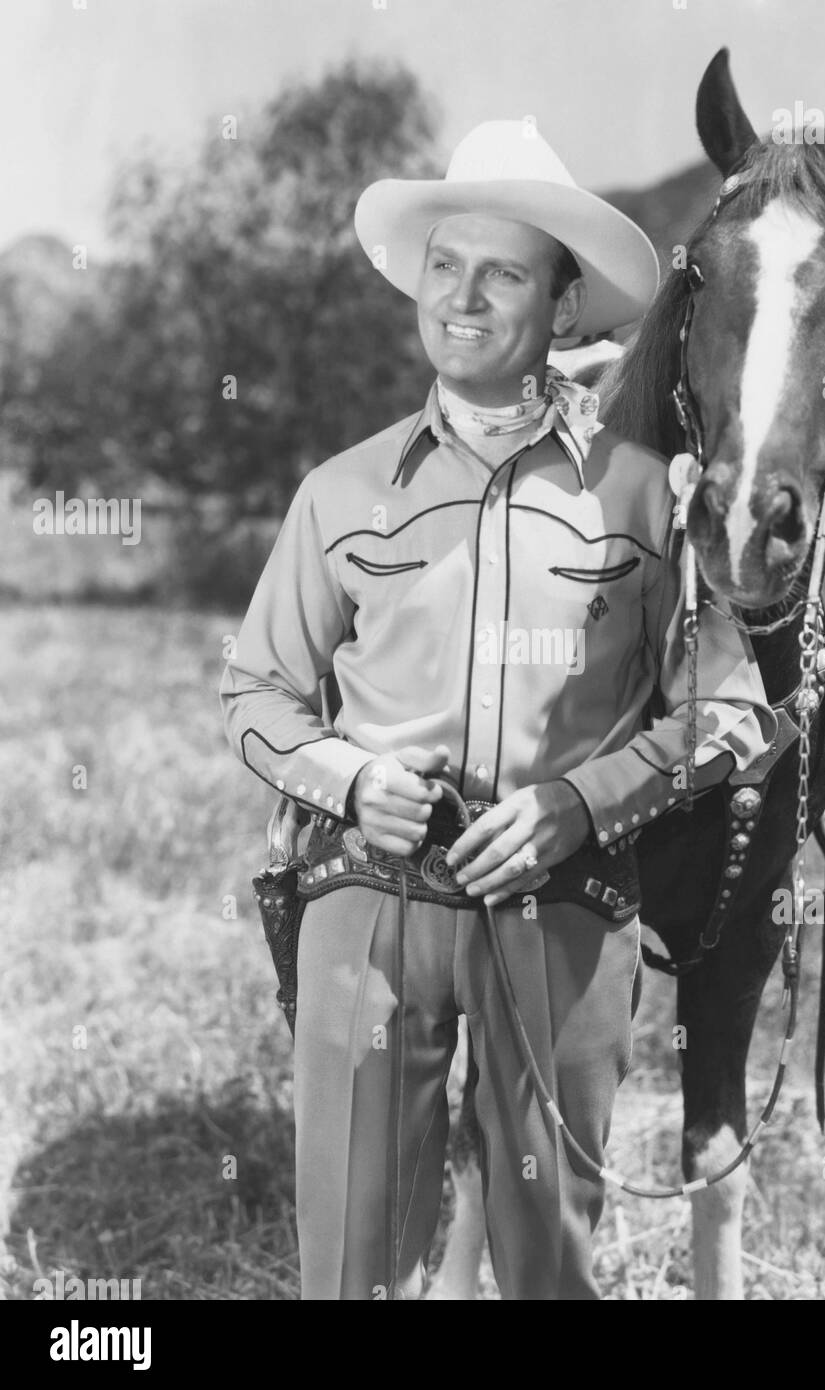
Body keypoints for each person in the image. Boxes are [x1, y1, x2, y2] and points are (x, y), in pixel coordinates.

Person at [220, 120, 777, 1300]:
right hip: (366, 907)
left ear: (563, 312)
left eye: (504, 272)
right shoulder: (339, 493)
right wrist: (348, 780)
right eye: (442, 266)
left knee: (546, 1269)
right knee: (350, 1268)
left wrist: (582, 802)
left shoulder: (645, 498)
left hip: (563, 915)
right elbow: (255, 691)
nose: (461, 298)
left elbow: (729, 712)